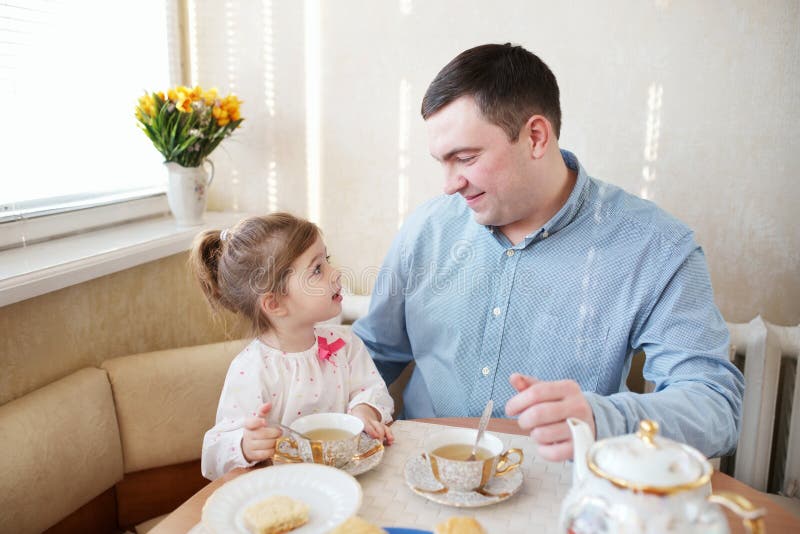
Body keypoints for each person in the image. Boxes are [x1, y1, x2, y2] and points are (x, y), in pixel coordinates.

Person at [353, 43, 744, 462]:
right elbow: (371, 353)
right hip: (421, 472)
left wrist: (603, 418)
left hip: (555, 488)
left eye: (464, 158)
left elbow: (716, 406)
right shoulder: (426, 228)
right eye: (441, 162)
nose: (449, 184)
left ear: (536, 137)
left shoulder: (655, 246)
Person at [192, 213, 394, 480]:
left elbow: (372, 389)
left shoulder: (344, 344)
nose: (336, 273)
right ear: (274, 303)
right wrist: (244, 445)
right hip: (286, 491)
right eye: (317, 269)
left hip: (349, 479)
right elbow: (213, 456)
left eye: (327, 260)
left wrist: (364, 410)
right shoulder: (252, 370)